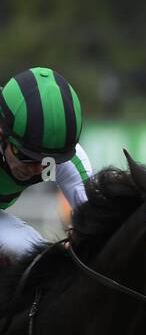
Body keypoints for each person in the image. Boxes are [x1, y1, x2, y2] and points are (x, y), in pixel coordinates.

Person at [0, 67, 92, 264]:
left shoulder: (62, 155)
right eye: (27, 156)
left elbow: (98, 221)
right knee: (29, 252)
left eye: (50, 161)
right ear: (2, 133)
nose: (39, 169)